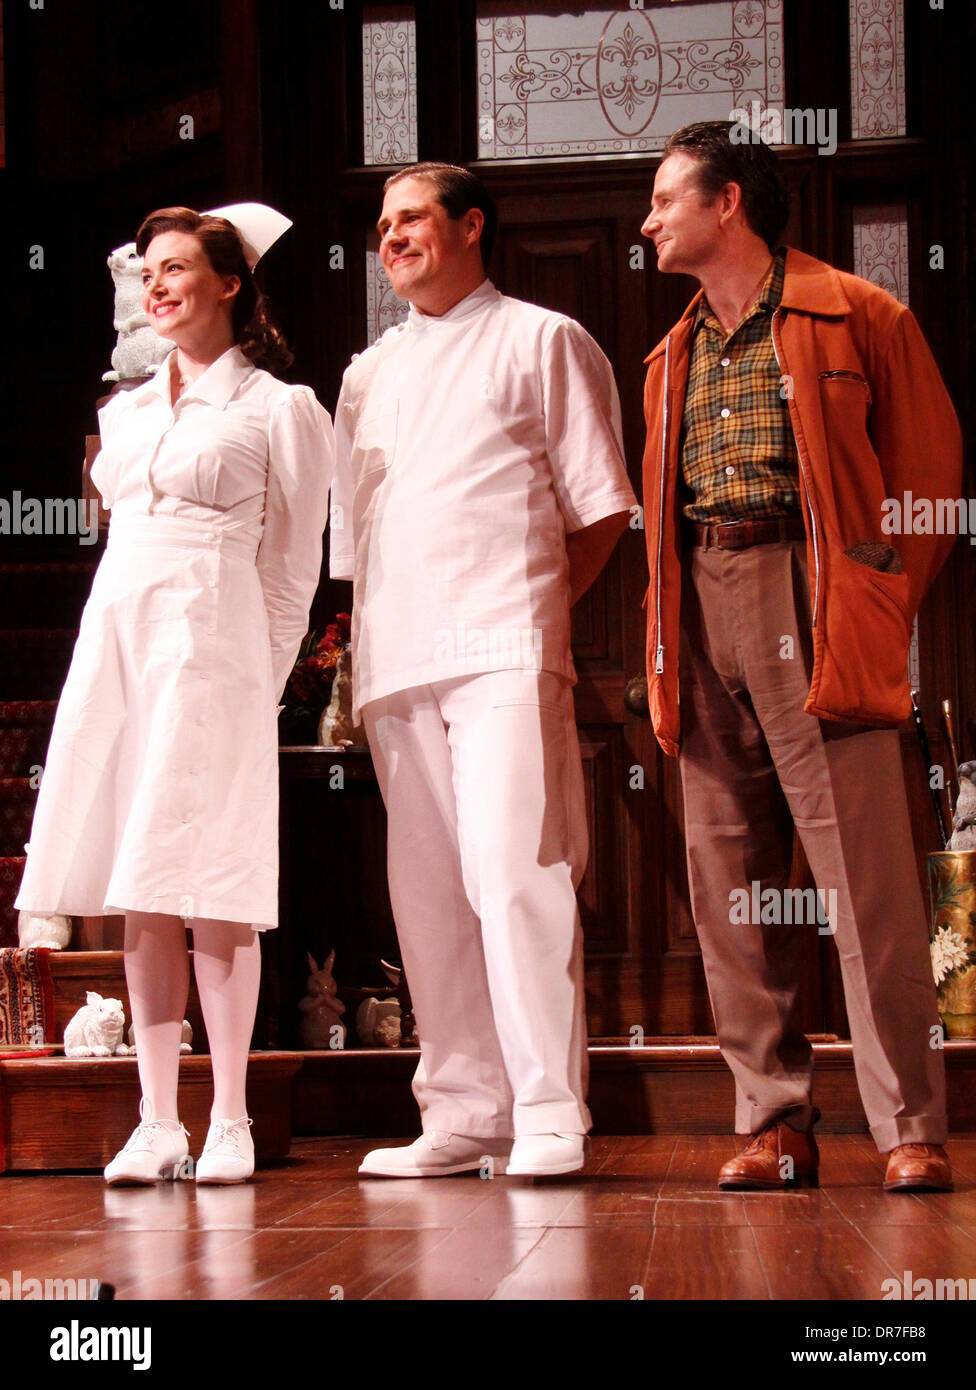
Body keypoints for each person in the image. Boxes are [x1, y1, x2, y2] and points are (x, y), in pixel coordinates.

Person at [639, 121, 962, 1191]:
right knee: (732, 884)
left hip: (813, 594)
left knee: (864, 882)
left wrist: (874, 600)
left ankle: (908, 1124)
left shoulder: (856, 312)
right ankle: (773, 1120)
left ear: (727, 202)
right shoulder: (669, 356)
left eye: (665, 200)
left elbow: (928, 485)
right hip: (701, 603)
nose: (648, 221)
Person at [16, 204, 334, 1184]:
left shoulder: (276, 409)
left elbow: (293, 571)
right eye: (147, 271)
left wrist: (253, 678)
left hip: (215, 654)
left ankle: (229, 1115)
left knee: (214, 883)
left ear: (229, 283)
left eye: (176, 269)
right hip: (121, 645)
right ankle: (158, 1118)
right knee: (143, 883)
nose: (156, 287)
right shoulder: (126, 413)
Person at [330, 162, 635, 1177]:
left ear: (472, 227)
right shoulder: (365, 373)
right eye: (382, 225)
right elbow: (356, 538)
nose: (393, 237)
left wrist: (531, 611)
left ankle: (548, 1106)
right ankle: (463, 1109)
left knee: (516, 876)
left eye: (413, 219)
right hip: (394, 657)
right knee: (425, 892)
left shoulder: (542, 338)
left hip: (503, 642)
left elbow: (597, 512)